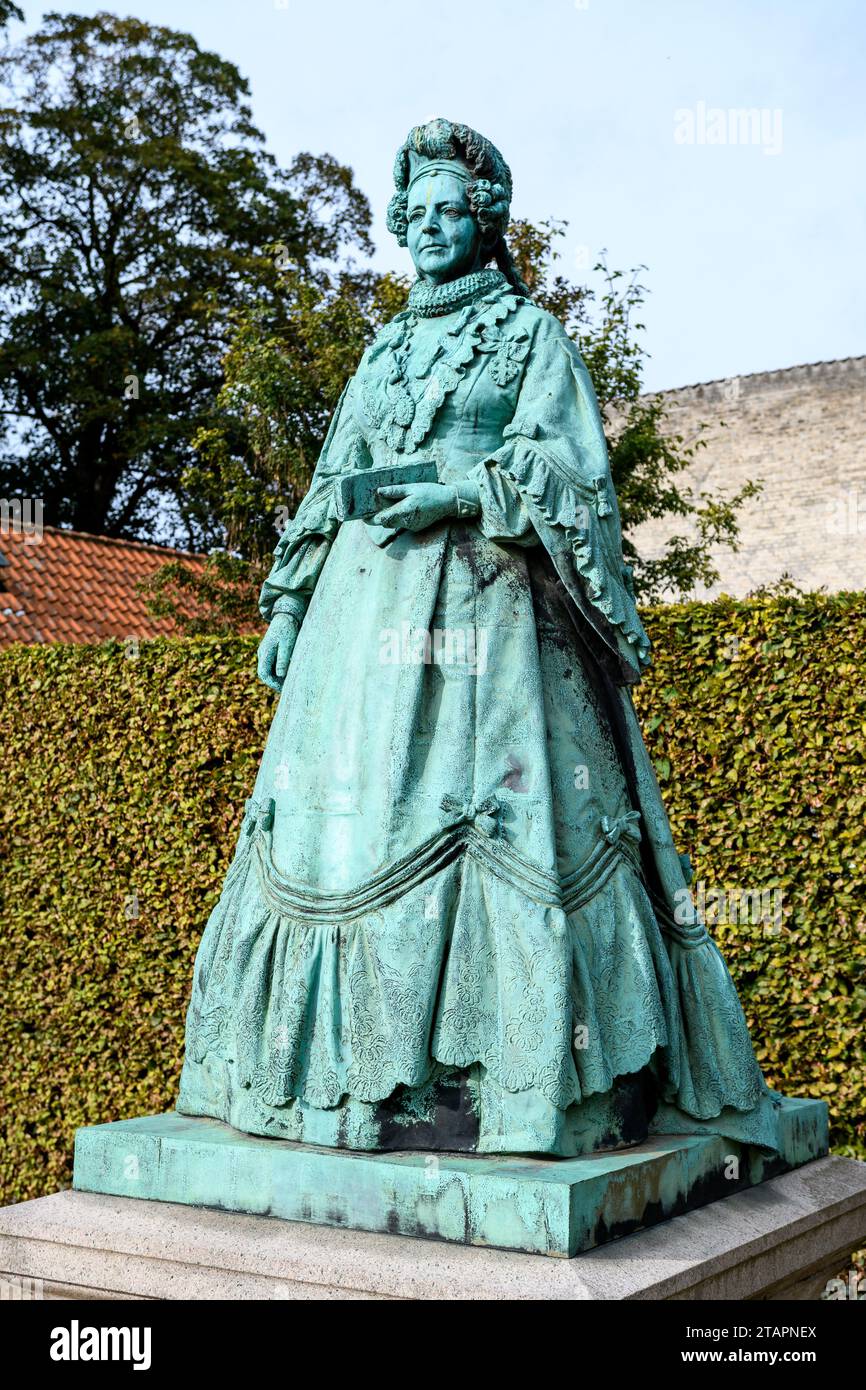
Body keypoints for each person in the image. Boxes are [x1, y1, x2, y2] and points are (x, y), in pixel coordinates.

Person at [177, 118, 785, 1157]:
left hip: (490, 616)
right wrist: (283, 603)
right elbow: (332, 478)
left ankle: (508, 1083)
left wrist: (460, 492)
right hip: (357, 629)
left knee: (503, 834)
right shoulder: (382, 347)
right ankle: (341, 1088)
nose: (425, 227)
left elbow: (571, 475)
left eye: (446, 209)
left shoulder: (529, 337)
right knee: (341, 836)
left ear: (486, 217)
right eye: (410, 213)